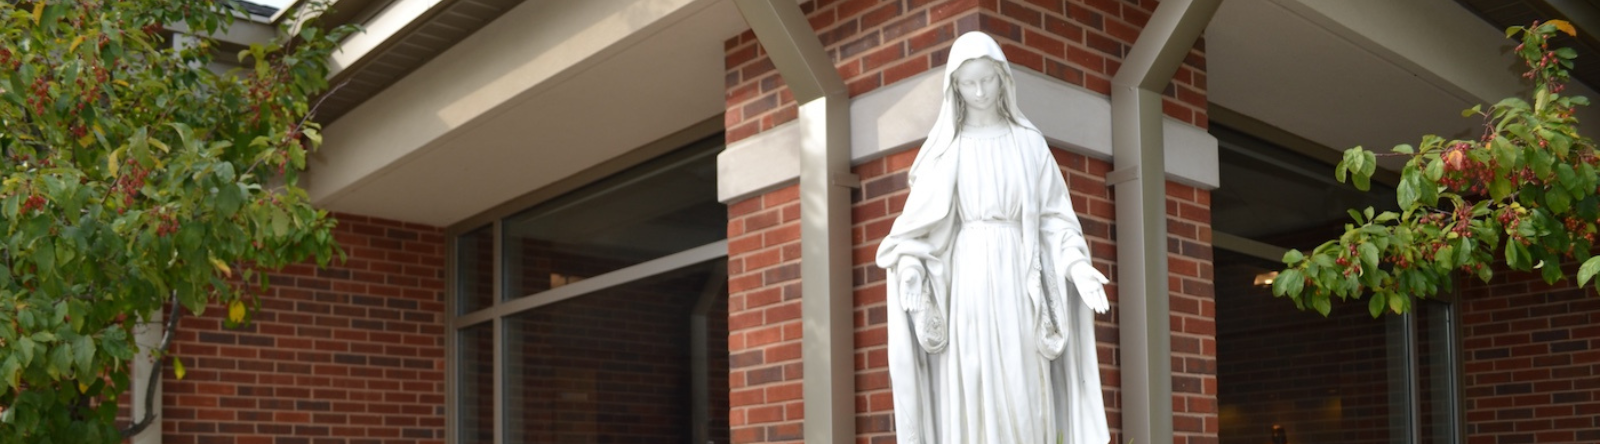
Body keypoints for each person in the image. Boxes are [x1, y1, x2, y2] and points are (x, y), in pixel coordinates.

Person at [875, 32, 1111, 444]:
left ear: (1003, 78)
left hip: (1020, 282)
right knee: (971, 380)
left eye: (987, 79)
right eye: (969, 83)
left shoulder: (1029, 144)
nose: (980, 91)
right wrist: (911, 270)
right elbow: (914, 233)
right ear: (955, 87)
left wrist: (1077, 266)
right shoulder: (948, 149)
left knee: (1023, 389)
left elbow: (1056, 220)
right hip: (967, 284)